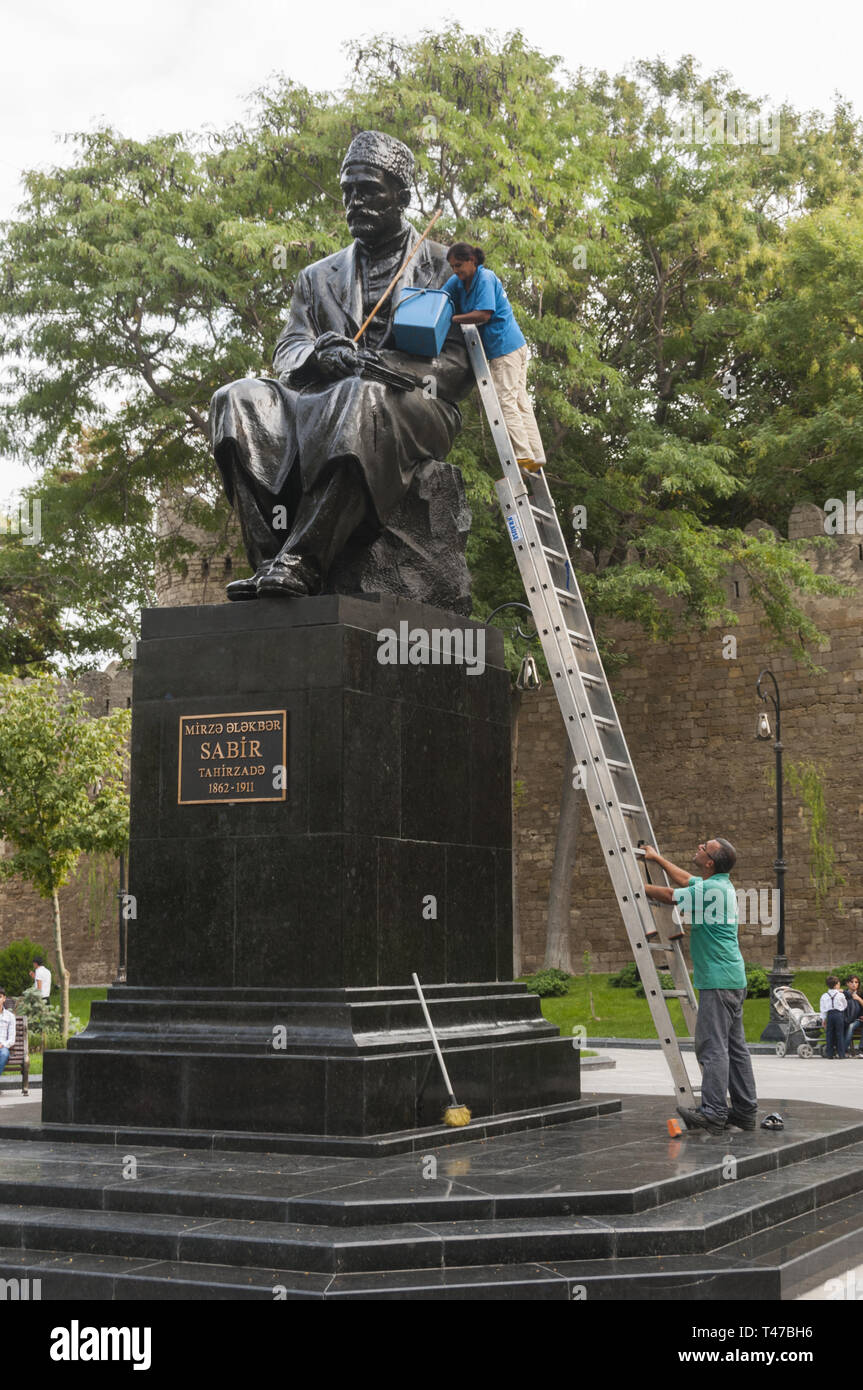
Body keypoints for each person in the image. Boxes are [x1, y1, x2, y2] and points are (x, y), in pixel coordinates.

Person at [210, 130, 474, 600]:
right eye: (348, 191)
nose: (355, 202)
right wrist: (320, 356)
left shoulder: (445, 267)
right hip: (323, 394)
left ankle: (306, 562)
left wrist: (382, 368)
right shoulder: (317, 277)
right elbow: (289, 350)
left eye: (369, 190)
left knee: (361, 394)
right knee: (236, 399)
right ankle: (270, 559)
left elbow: (458, 364)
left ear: (403, 197)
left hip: (415, 403)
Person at [641, 837, 758, 1134]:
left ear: (709, 861)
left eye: (703, 847)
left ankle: (714, 1112)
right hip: (732, 979)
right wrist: (657, 858)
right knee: (735, 1048)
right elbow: (686, 879)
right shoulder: (718, 885)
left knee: (712, 1047)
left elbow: (670, 895)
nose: (698, 847)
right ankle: (744, 1112)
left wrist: (635, 890)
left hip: (718, 981)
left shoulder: (711, 890)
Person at [442, 243, 547, 474]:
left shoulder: (485, 278)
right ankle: (536, 455)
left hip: (505, 348)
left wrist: (452, 319)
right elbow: (441, 296)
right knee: (520, 400)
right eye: (452, 267)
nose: (455, 271)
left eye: (458, 265)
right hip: (511, 346)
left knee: (505, 399)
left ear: (472, 260)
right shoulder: (460, 282)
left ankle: (522, 455)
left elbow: (483, 314)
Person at [820, 975, 847, 1058]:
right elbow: (845, 1005)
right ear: (836, 985)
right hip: (839, 1014)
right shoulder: (840, 995)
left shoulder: (824, 995)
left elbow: (823, 1009)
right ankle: (841, 1054)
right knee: (839, 1034)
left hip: (830, 1015)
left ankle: (830, 1054)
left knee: (829, 1034)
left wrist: (823, 1019)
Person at [0, 988, 16, 1095]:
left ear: (4, 999)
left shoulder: (10, 1017)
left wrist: (3, 1044)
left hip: (2, 1047)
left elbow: (12, 1039)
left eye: (0, 997)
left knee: (5, 1053)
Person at [843, 975, 863, 1056]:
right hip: (847, 1018)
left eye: (856, 982)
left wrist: (859, 999)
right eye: (852, 982)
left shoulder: (861, 994)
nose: (854, 984)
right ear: (847, 983)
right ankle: (843, 1050)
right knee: (849, 1026)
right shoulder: (843, 994)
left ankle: (861, 1050)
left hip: (859, 1019)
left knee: (852, 1025)